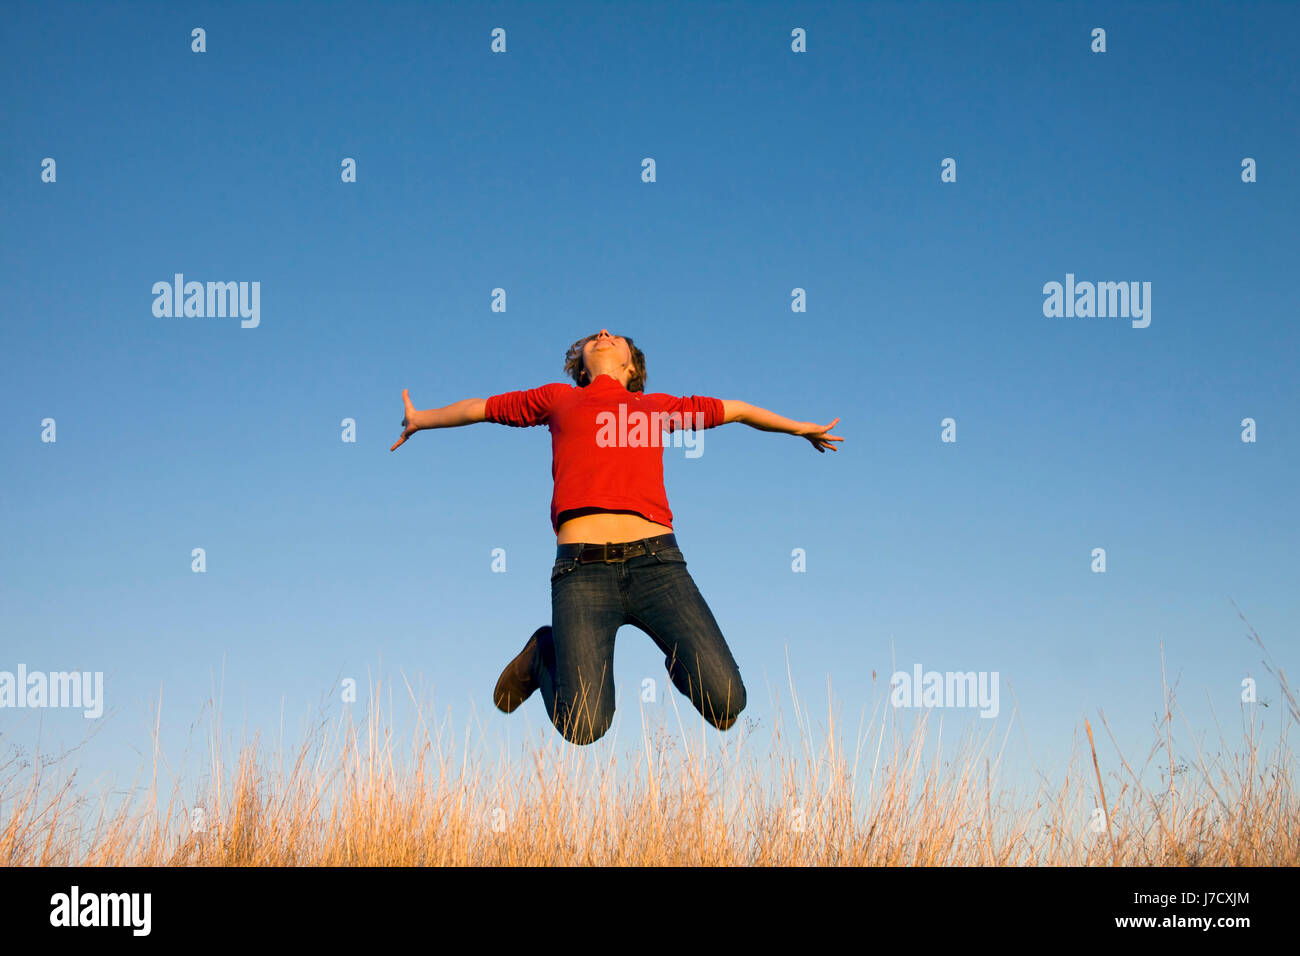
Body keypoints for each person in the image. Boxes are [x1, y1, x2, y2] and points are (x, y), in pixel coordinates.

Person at [391, 329, 842, 744]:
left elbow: (738, 410)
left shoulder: (655, 407)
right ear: (582, 367)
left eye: (616, 337)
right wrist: (421, 419)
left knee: (726, 703)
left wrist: (800, 428)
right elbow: (481, 409)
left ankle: (682, 661)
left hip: (658, 568)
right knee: (584, 726)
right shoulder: (558, 398)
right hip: (581, 574)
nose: (604, 334)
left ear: (632, 369)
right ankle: (543, 654)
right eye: (594, 337)